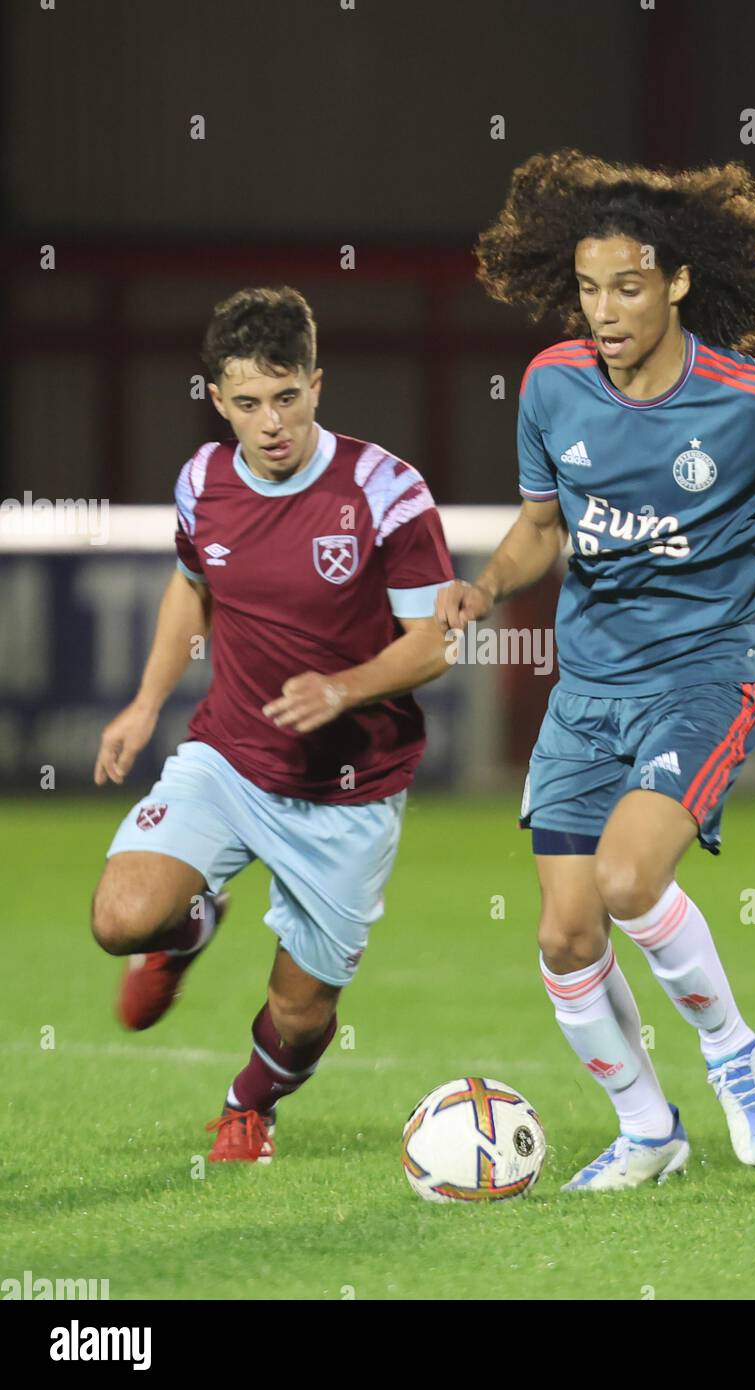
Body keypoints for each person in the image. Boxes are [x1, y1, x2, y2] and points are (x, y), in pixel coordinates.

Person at [436, 150, 755, 1192]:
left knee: (627, 877)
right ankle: (648, 1129)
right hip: (587, 690)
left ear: (678, 281)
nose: (603, 310)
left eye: (629, 287)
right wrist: (486, 587)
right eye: (590, 287)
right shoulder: (553, 386)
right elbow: (538, 527)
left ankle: (735, 1050)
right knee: (563, 936)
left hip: (708, 671)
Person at [92, 286, 454, 1163]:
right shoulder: (202, 482)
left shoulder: (384, 490)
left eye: (287, 397)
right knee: (121, 920)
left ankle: (248, 1103)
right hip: (229, 756)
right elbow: (193, 586)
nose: (271, 424)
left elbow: (435, 641)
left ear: (317, 386)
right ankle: (188, 929)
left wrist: (344, 689)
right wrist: (146, 702)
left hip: (350, 791)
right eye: (247, 403)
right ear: (217, 399)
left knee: (300, 1014)